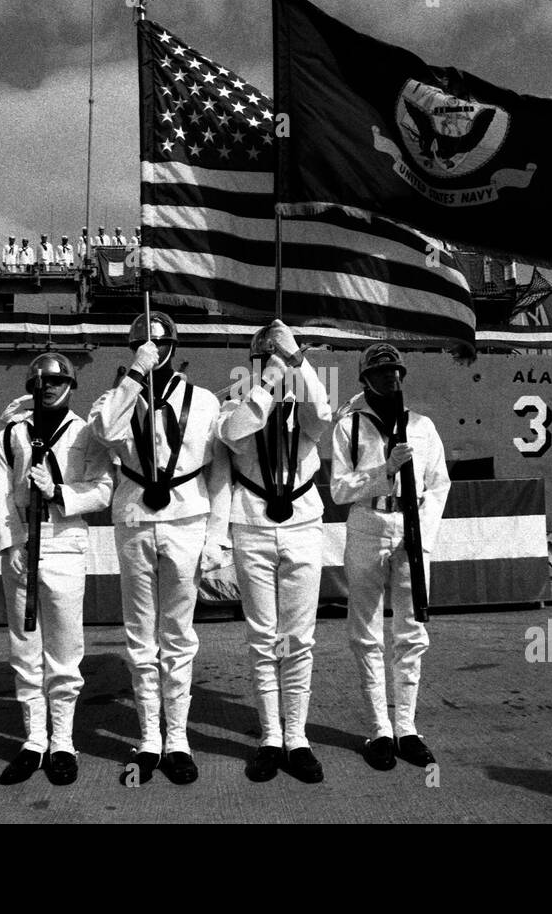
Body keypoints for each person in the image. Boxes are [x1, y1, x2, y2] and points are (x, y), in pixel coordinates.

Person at [87, 312, 229, 785]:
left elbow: (219, 474)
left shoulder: (205, 402)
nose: (151, 350)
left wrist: (216, 538)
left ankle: (178, 740)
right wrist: (134, 377)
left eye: (158, 344)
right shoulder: (116, 399)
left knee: (179, 635)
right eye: (141, 345)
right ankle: (149, 738)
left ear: (174, 346)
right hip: (134, 519)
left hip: (187, 519)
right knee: (139, 635)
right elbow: (104, 431)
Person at [0, 352, 113, 785]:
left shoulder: (86, 434)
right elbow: (1, 495)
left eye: (58, 381)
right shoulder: (12, 436)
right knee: (25, 650)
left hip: (64, 541)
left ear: (71, 386)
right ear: (31, 386)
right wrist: (10, 545)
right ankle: (33, 741)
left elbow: (102, 490)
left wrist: (58, 490)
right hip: (23, 543)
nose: (49, 387)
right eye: (41, 382)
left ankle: (62, 741)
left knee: (64, 651)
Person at [215, 319, 331, 783]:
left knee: (298, 638)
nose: (273, 365)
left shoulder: (304, 394)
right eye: (265, 359)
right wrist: (266, 382)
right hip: (252, 525)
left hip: (302, 523)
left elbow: (320, 419)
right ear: (254, 363)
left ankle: (297, 737)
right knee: (263, 638)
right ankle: (269, 736)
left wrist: (299, 361)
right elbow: (237, 432)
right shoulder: (233, 400)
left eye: (276, 357)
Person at [331, 343, 449, 771]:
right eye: (382, 374)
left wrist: (426, 539)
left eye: (397, 373)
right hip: (367, 524)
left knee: (412, 631)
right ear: (365, 380)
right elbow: (341, 490)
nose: (392, 380)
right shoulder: (350, 427)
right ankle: (379, 727)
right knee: (365, 629)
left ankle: (407, 727)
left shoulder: (422, 426)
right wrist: (385, 473)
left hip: (413, 528)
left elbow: (439, 485)